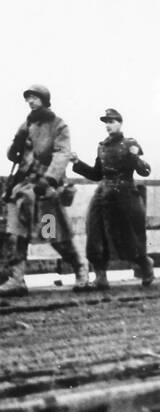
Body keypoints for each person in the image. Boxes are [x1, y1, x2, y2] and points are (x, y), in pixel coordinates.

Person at [0, 85, 90, 296]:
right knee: (16, 235)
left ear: (45, 100)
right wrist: (16, 143)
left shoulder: (59, 125)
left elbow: (62, 153)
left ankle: (81, 269)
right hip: (22, 191)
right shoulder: (27, 124)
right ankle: (16, 279)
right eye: (28, 98)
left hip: (44, 192)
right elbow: (14, 156)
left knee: (53, 235)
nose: (31, 102)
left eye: (35, 98)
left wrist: (49, 179)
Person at [69, 108, 154, 290]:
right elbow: (96, 174)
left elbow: (145, 171)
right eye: (106, 122)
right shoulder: (102, 146)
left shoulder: (130, 143)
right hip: (103, 195)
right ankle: (101, 277)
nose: (108, 125)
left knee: (129, 238)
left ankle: (146, 266)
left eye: (112, 121)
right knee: (95, 234)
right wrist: (77, 163)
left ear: (120, 123)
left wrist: (134, 156)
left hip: (125, 195)